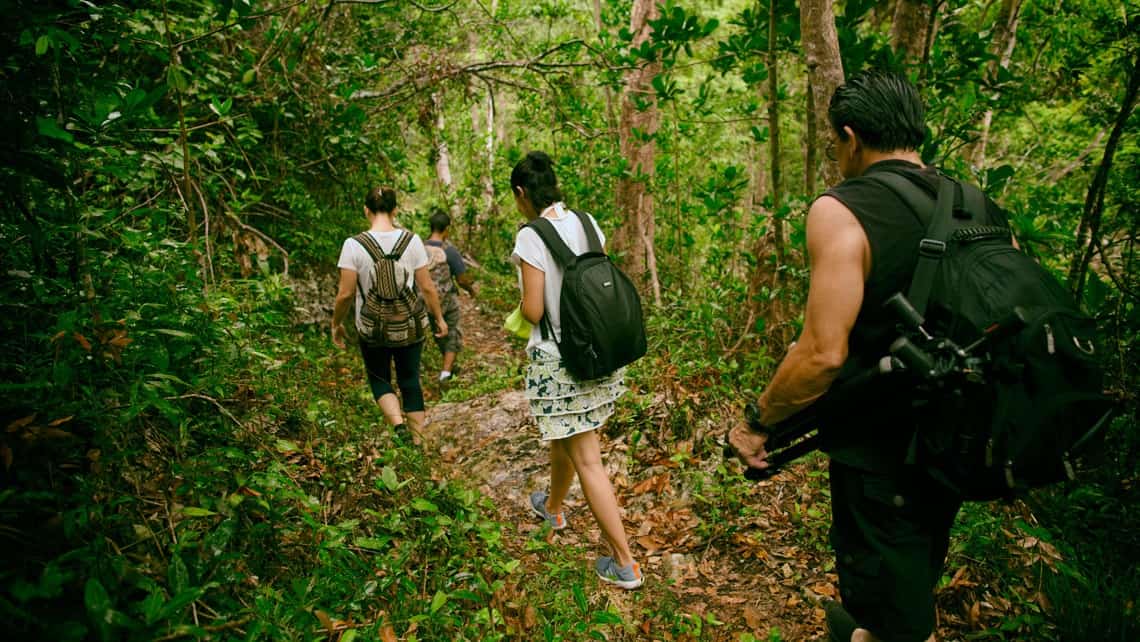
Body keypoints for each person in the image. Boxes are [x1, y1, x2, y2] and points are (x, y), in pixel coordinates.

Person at [728, 70, 1013, 642]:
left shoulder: (842, 210)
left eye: (836, 142)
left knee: (898, 615)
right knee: (907, 579)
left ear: (851, 137)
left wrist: (757, 423)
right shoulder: (981, 205)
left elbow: (821, 355)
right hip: (958, 439)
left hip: (883, 452)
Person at [510, 151, 643, 590]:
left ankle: (624, 563)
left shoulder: (531, 236)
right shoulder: (587, 222)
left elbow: (532, 309)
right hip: (597, 352)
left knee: (587, 457)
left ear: (521, 194)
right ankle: (552, 507)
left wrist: (518, 314)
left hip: (559, 359)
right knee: (565, 436)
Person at [332, 186, 448, 440]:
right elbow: (427, 287)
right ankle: (417, 442)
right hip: (409, 324)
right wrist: (439, 318)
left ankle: (398, 426)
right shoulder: (413, 241)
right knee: (410, 380)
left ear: (366, 211)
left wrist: (336, 324)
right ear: (395, 210)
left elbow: (345, 294)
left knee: (379, 379)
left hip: (372, 328)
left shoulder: (353, 245)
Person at [424, 207, 478, 384]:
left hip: (425, 303)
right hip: (447, 301)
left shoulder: (420, 249)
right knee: (452, 332)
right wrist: (471, 291)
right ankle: (445, 374)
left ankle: (449, 367)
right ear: (447, 229)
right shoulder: (449, 251)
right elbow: (461, 279)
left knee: (438, 333)